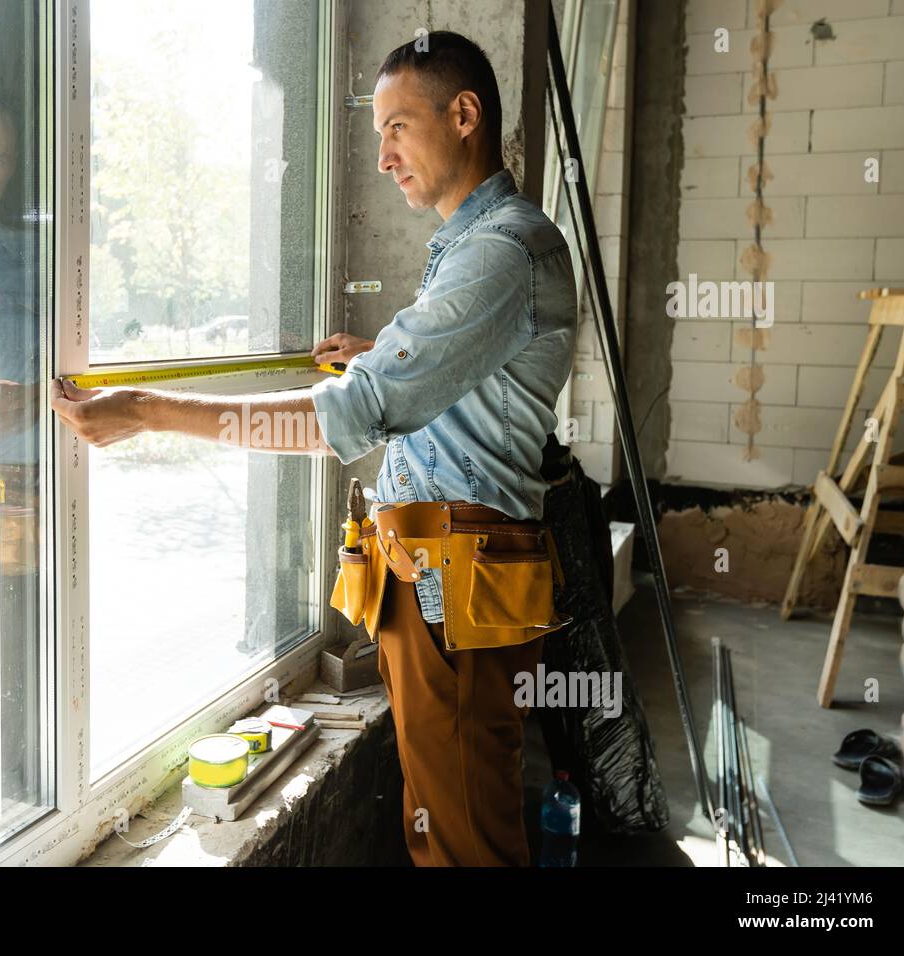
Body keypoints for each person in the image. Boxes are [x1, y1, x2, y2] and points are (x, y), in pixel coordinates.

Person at [51, 31, 577, 866]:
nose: (382, 157)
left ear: (465, 114)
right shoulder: (486, 247)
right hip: (448, 585)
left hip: (459, 595)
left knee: (465, 842)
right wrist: (385, 356)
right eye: (376, 134)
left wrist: (149, 412)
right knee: (447, 819)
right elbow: (473, 384)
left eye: (398, 127)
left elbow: (350, 420)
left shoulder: (498, 252)